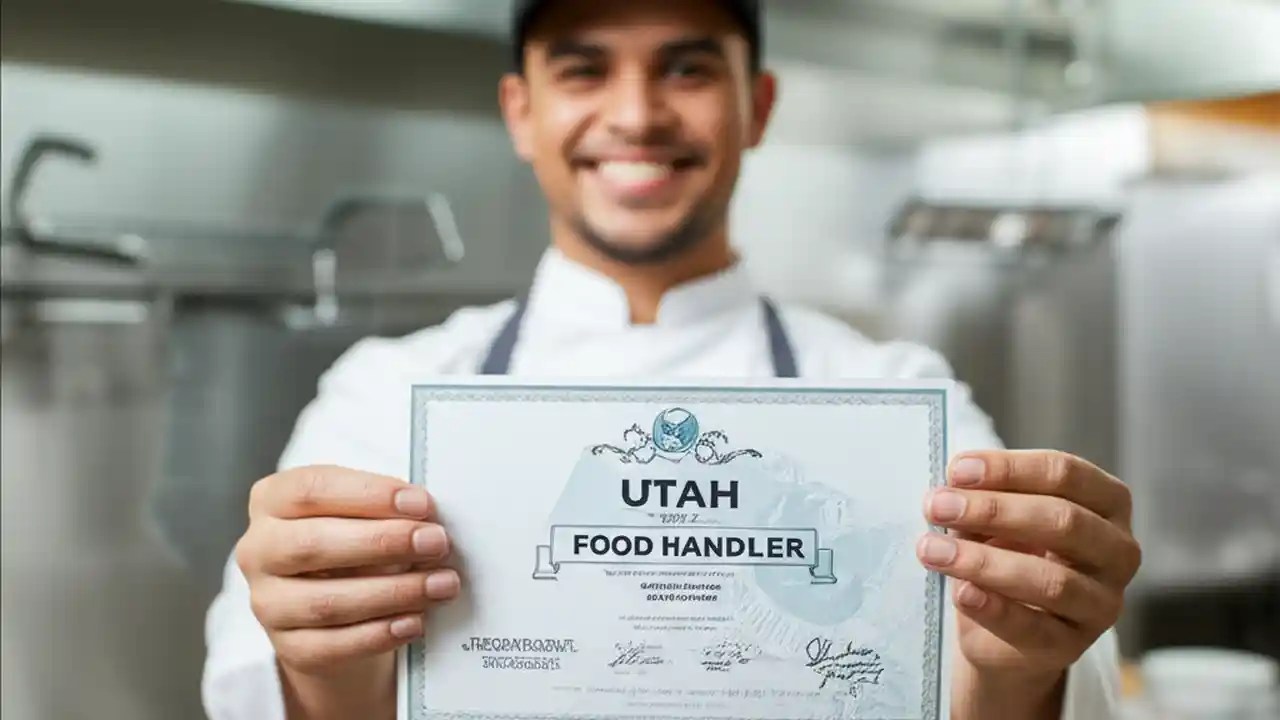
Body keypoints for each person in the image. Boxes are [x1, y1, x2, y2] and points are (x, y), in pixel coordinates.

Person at [202, 1, 1142, 718]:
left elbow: (1026, 690)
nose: (638, 114)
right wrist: (321, 658)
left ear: (756, 106)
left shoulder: (899, 398)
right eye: (585, 71)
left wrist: (1023, 654)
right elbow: (262, 687)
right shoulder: (387, 394)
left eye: (686, 70)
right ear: (522, 113)